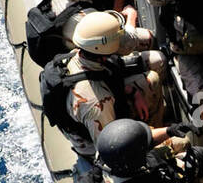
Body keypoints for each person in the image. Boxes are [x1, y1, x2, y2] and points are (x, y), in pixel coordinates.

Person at [60, 12, 167, 159]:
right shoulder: (97, 103)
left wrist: (132, 92)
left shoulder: (81, 54)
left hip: (104, 102)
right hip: (100, 141)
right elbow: (111, 149)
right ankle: (152, 134)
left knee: (152, 77)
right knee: (180, 142)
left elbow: (104, 78)